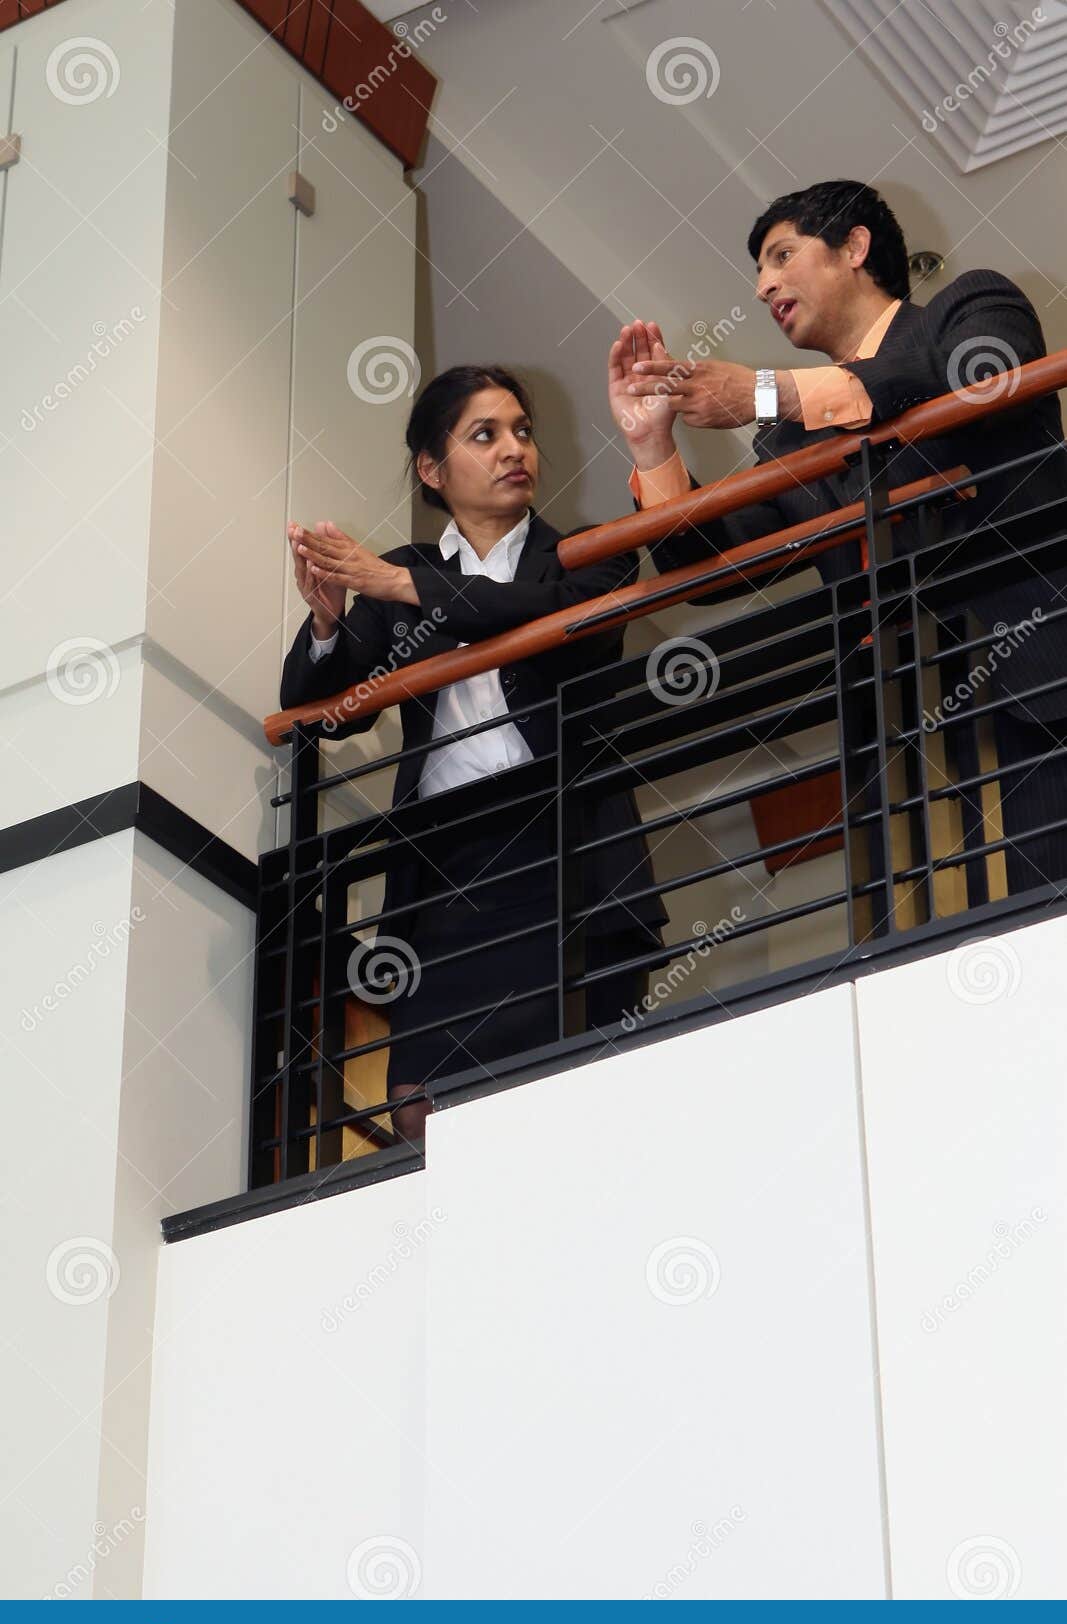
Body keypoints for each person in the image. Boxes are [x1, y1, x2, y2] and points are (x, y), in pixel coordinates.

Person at [612, 178, 1067, 899]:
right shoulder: (792, 439)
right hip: (897, 733)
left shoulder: (969, 302)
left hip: (1038, 683)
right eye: (758, 271)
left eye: (780, 255)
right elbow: (708, 569)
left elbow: (986, 371)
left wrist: (772, 391)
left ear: (854, 246)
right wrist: (652, 448)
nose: (762, 287)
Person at [281, 365, 665, 1141]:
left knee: (585, 1097)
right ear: (432, 469)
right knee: (422, 1106)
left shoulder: (585, 553)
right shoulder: (409, 574)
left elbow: (538, 613)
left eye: (521, 431)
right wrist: (326, 623)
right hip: (445, 866)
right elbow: (317, 712)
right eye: (483, 435)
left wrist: (396, 586)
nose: (513, 449)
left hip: (563, 847)